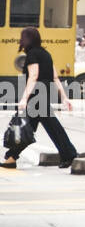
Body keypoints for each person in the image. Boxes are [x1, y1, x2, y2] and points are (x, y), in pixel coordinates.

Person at [2, 27, 77, 169]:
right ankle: (11, 157)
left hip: (36, 96)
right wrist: (64, 97)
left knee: (46, 127)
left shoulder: (32, 55)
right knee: (28, 127)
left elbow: (33, 77)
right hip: (44, 93)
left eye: (22, 37)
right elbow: (55, 77)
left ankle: (69, 154)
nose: (21, 40)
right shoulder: (45, 53)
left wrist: (24, 99)